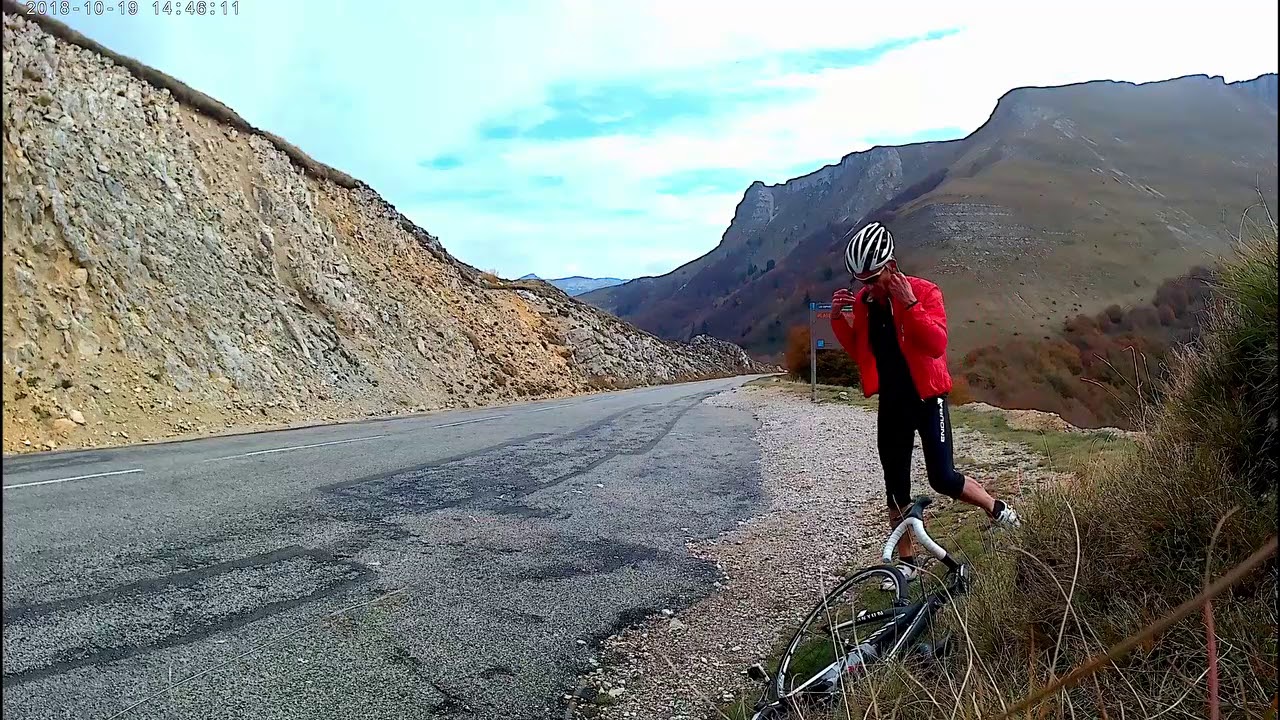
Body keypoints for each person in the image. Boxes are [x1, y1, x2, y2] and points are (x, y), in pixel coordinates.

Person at [829, 221, 1020, 585]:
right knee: (895, 483)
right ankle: (907, 564)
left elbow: (936, 344)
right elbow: (862, 353)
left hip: (928, 397)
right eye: (861, 281)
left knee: (943, 477)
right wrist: (840, 320)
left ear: (891, 267)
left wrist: (910, 305)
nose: (867, 288)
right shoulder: (864, 303)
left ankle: (996, 510)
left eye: (873, 279)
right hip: (893, 403)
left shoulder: (924, 292)